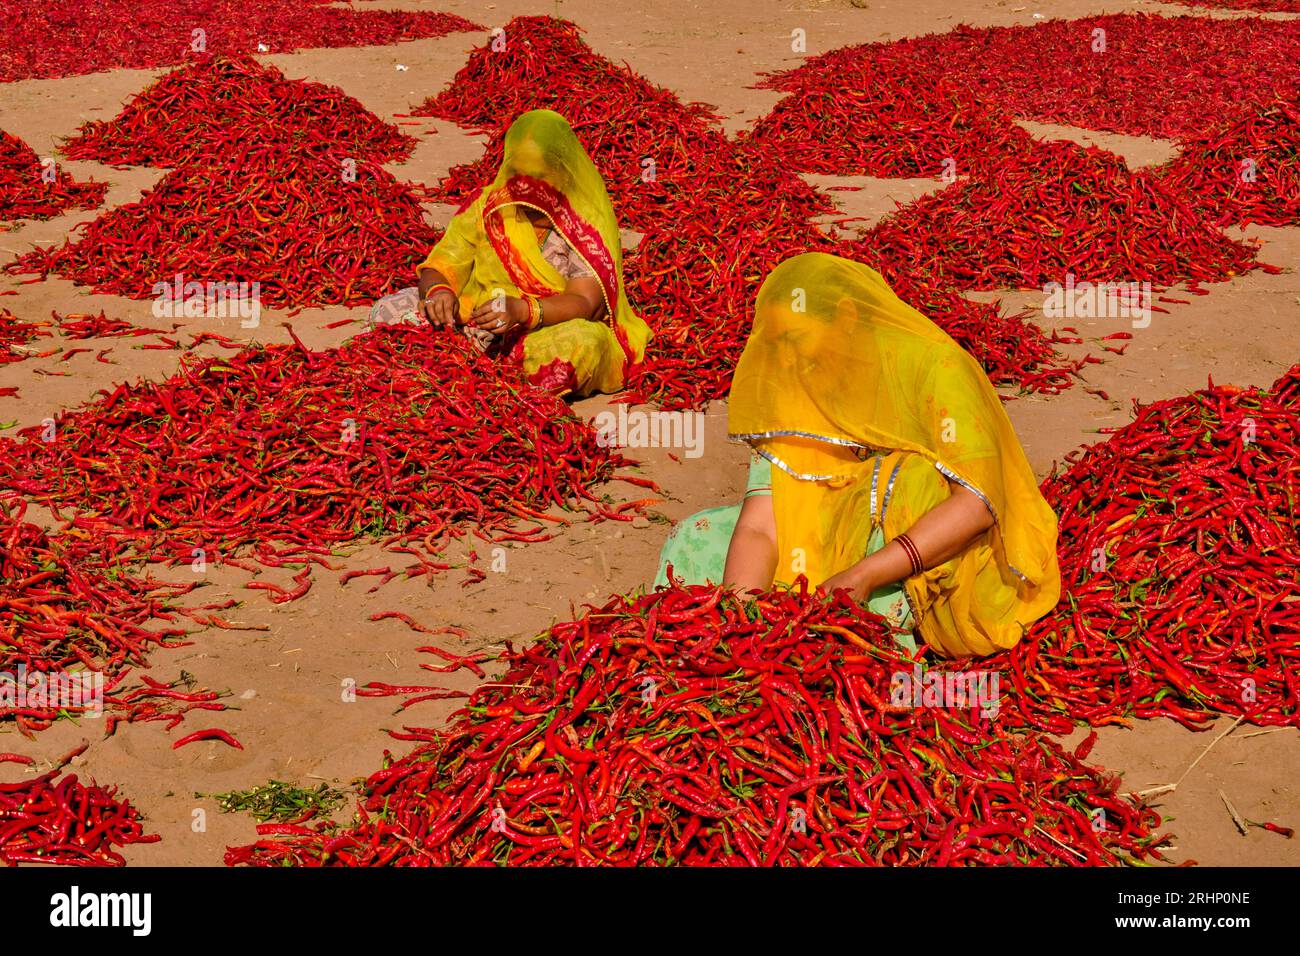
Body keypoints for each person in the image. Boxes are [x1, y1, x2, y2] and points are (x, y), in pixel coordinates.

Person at [655, 253, 1060, 657]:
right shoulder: (797, 378)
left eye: (796, 339)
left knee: (912, 479)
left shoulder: (934, 368)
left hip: (930, 545)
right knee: (698, 536)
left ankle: (881, 616)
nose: (789, 358)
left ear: (847, 317)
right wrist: (742, 622)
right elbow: (762, 524)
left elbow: (977, 506)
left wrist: (863, 575)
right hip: (832, 530)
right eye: (779, 344)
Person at [369, 109, 650, 397]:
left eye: (539, 176)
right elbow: (443, 263)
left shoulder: (585, 222)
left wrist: (523, 311)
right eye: (517, 174)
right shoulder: (487, 205)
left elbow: (587, 302)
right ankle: (473, 363)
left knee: (584, 343)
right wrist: (439, 292)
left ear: (562, 172)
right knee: (389, 311)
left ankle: (488, 372)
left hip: (542, 328)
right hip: (474, 317)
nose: (526, 185)